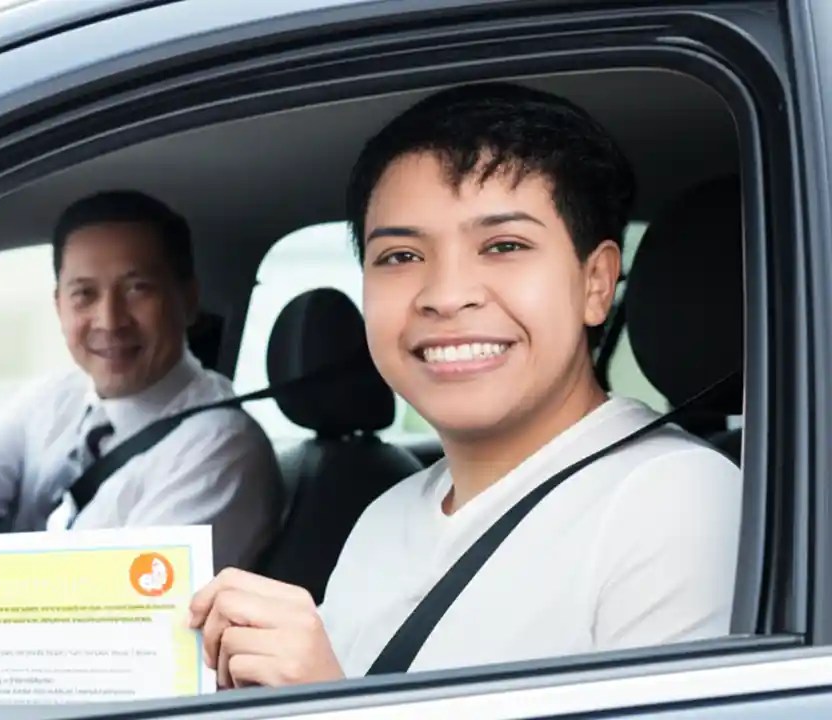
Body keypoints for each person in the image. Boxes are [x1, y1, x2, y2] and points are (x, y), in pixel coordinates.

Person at [185, 82, 743, 689]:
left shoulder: (674, 500)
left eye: (504, 246)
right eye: (400, 256)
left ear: (596, 283)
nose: (447, 296)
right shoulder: (384, 516)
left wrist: (324, 702)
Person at [0, 190, 283, 689]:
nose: (109, 319)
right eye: (83, 294)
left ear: (187, 298)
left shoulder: (222, 445)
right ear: (58, 306)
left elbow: (128, 634)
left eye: (137, 288)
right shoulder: (58, 396)